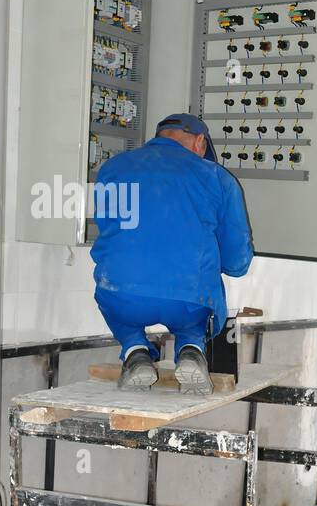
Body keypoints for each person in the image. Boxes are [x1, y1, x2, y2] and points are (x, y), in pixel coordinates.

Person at [90, 112, 254, 394]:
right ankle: (191, 349)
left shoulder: (112, 168)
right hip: (190, 301)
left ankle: (135, 351)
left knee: (111, 291)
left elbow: (108, 231)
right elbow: (237, 263)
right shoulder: (217, 177)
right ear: (199, 142)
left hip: (124, 294)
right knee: (197, 316)